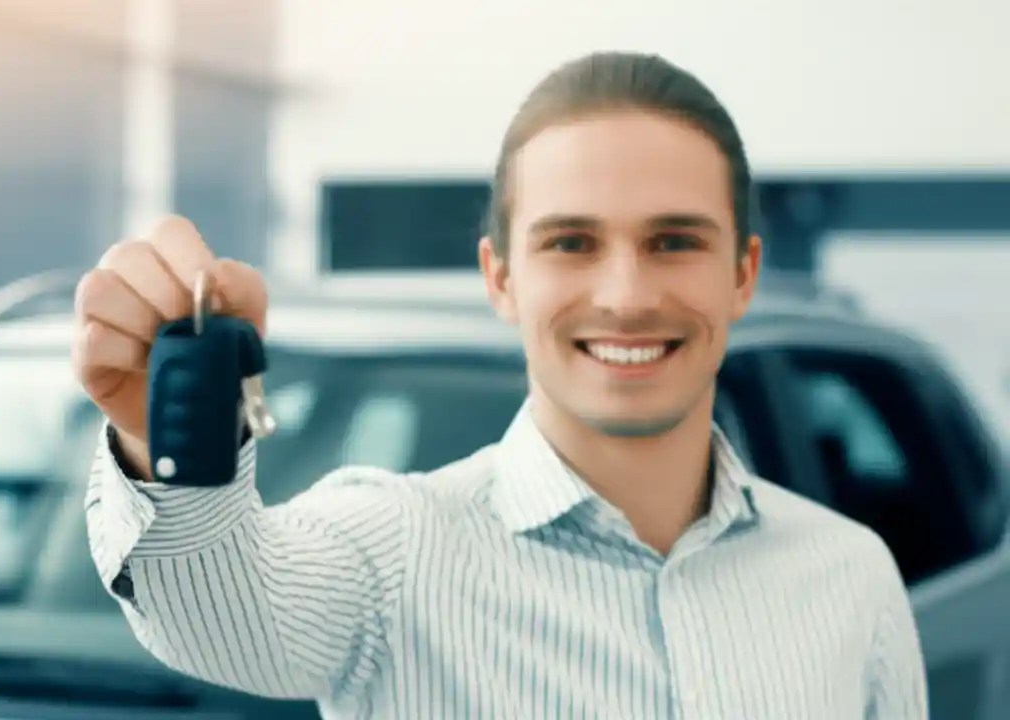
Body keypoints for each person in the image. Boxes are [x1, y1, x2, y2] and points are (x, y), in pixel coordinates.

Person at [73, 51, 927, 719]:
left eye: (673, 241)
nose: (626, 298)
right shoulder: (394, 552)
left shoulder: (851, 577)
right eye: (571, 243)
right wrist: (166, 441)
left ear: (743, 275)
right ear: (501, 277)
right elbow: (217, 612)